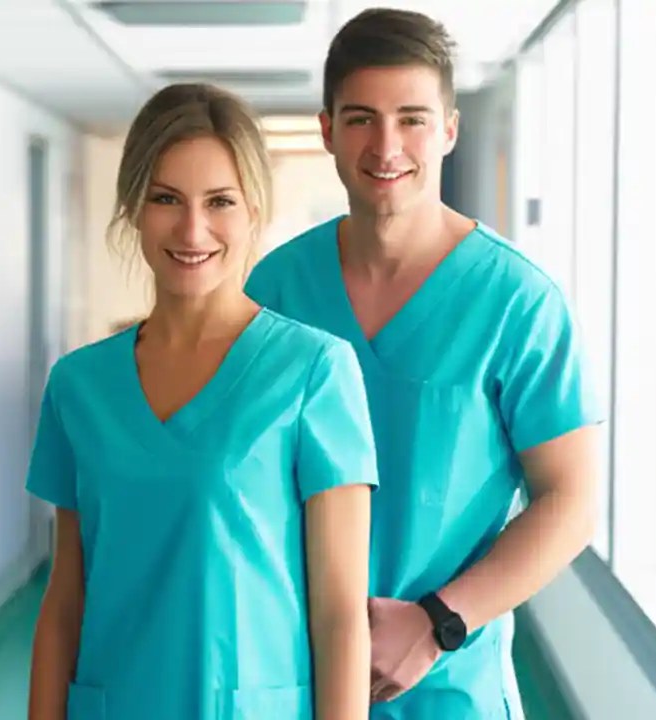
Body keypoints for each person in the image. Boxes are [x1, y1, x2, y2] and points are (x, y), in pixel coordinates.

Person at [245, 8, 603, 719]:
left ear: (448, 129)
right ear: (327, 131)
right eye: (360, 119)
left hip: (447, 689)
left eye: (411, 118)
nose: (386, 145)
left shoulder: (516, 303)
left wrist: (438, 623)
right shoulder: (275, 290)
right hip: (290, 678)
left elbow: (571, 501)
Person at [26, 83, 377, 720]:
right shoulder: (79, 385)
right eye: (166, 199)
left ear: (254, 212)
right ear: (133, 207)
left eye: (220, 201)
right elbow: (65, 600)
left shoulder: (315, 372)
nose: (192, 229)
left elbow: (339, 615)